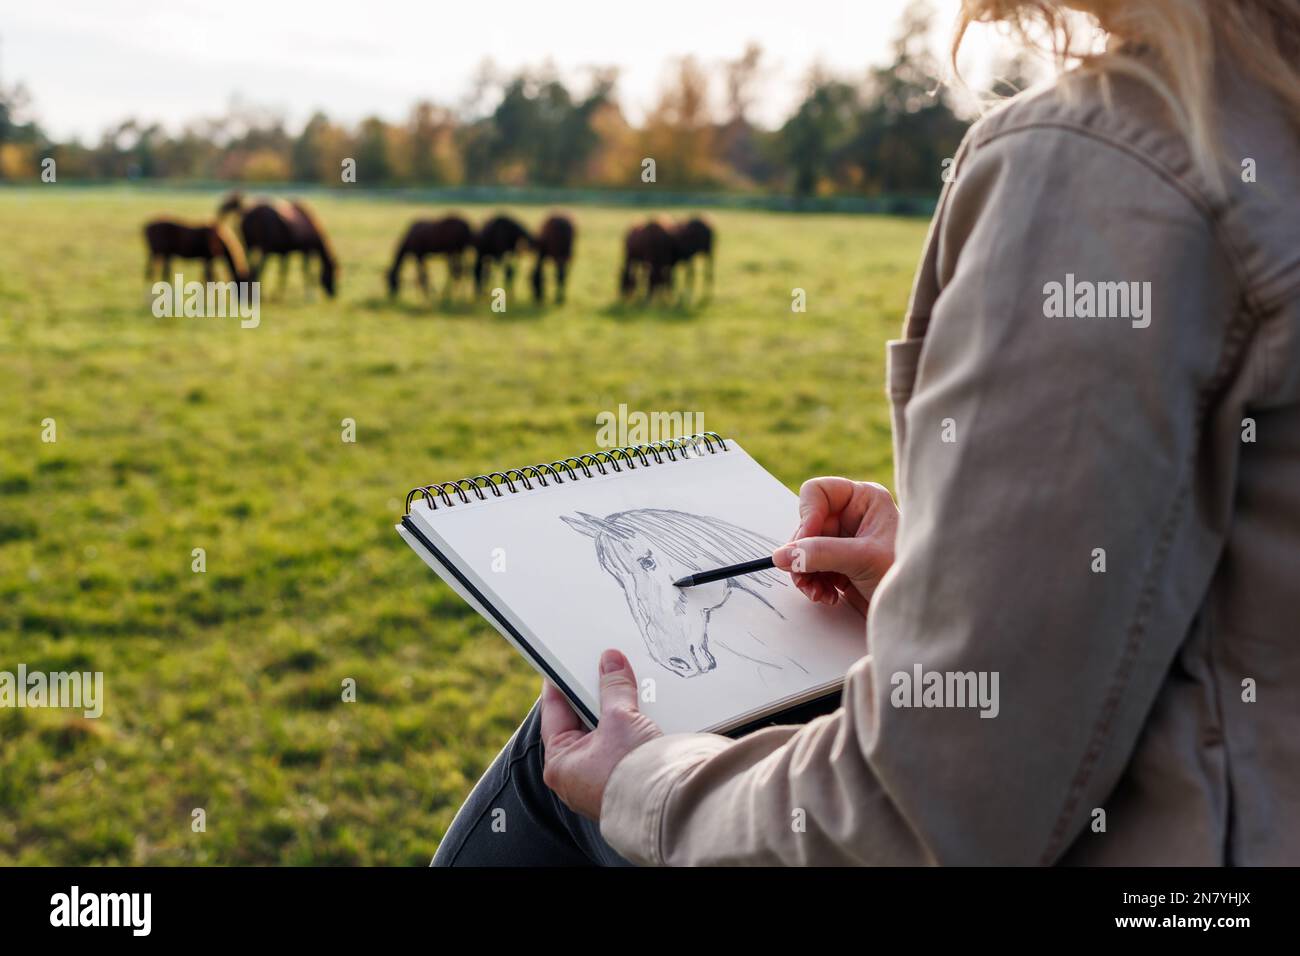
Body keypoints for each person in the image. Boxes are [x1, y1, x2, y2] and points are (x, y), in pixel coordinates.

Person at [434, 0, 1300, 866]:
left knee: (557, 766)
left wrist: (642, 786)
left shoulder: (1111, 162)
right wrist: (946, 573)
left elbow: (931, 810)